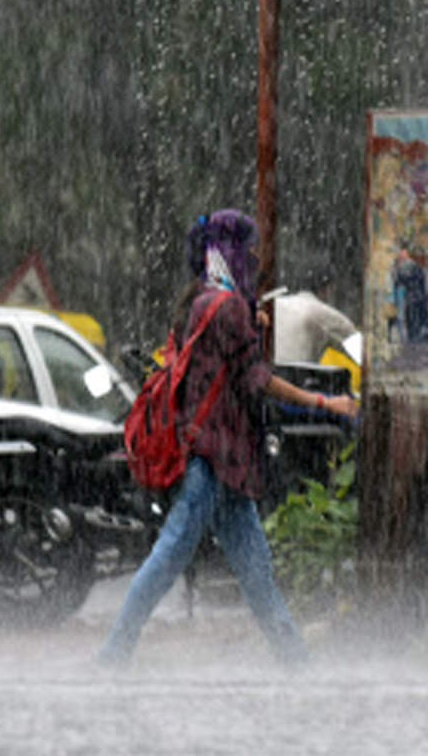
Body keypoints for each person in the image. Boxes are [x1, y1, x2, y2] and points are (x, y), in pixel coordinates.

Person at [98, 209, 360, 669]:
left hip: (225, 464)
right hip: (210, 464)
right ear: (231, 251)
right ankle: (112, 657)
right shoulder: (228, 307)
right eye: (251, 248)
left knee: (257, 577)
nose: (256, 258)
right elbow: (256, 380)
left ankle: (300, 668)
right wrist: (324, 404)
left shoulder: (204, 300)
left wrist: (250, 326)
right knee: (166, 562)